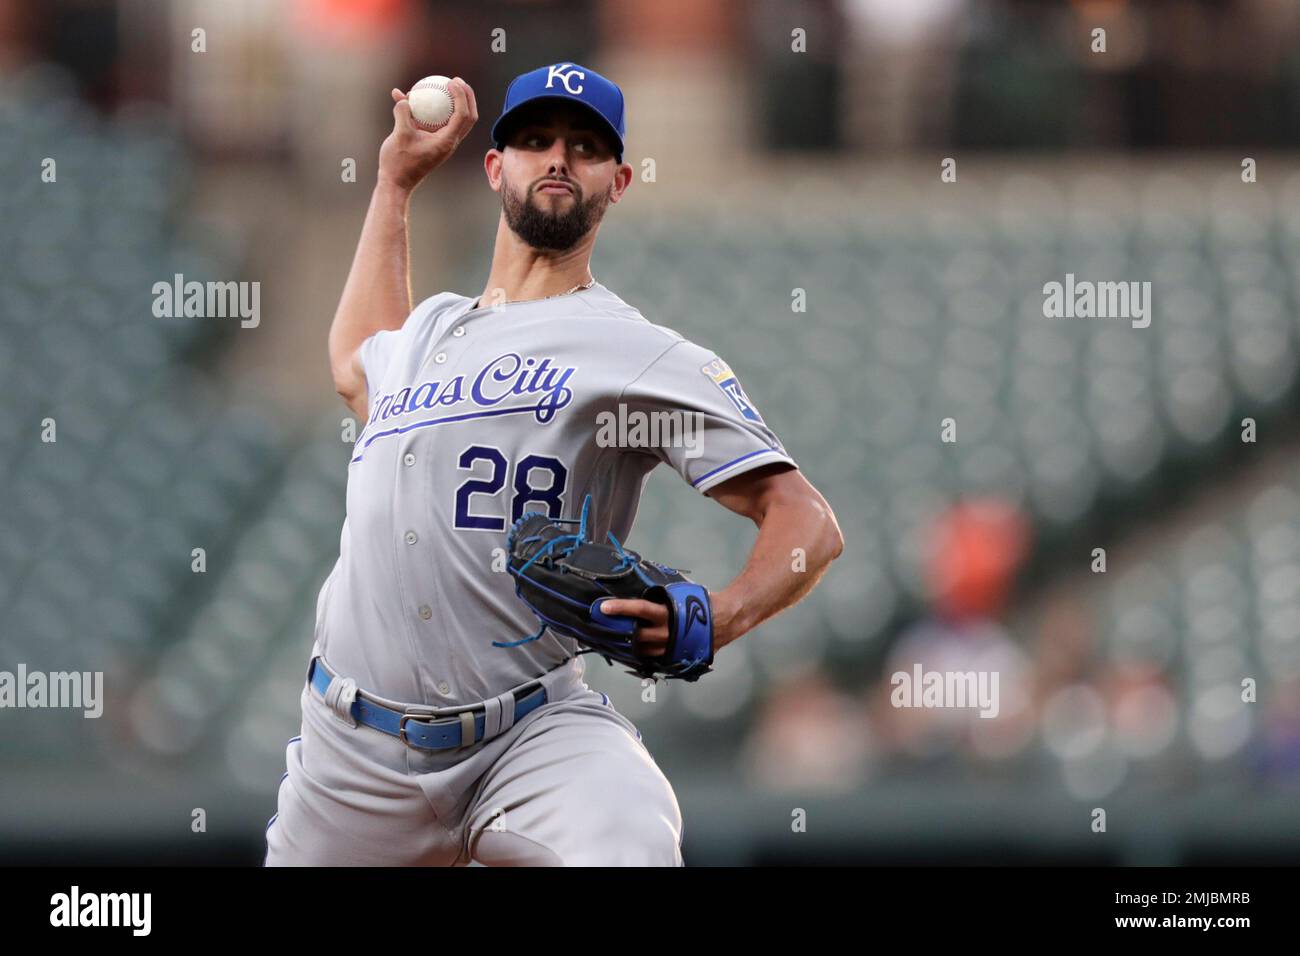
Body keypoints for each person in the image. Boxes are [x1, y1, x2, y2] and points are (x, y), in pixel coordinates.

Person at [263, 62, 843, 866]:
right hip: (349, 756)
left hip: (528, 733)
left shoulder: (637, 355)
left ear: (619, 181)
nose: (559, 159)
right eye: (535, 141)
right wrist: (395, 184)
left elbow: (806, 519)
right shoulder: (428, 332)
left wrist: (720, 614)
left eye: (585, 145)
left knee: (632, 840)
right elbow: (354, 364)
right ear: (497, 168)